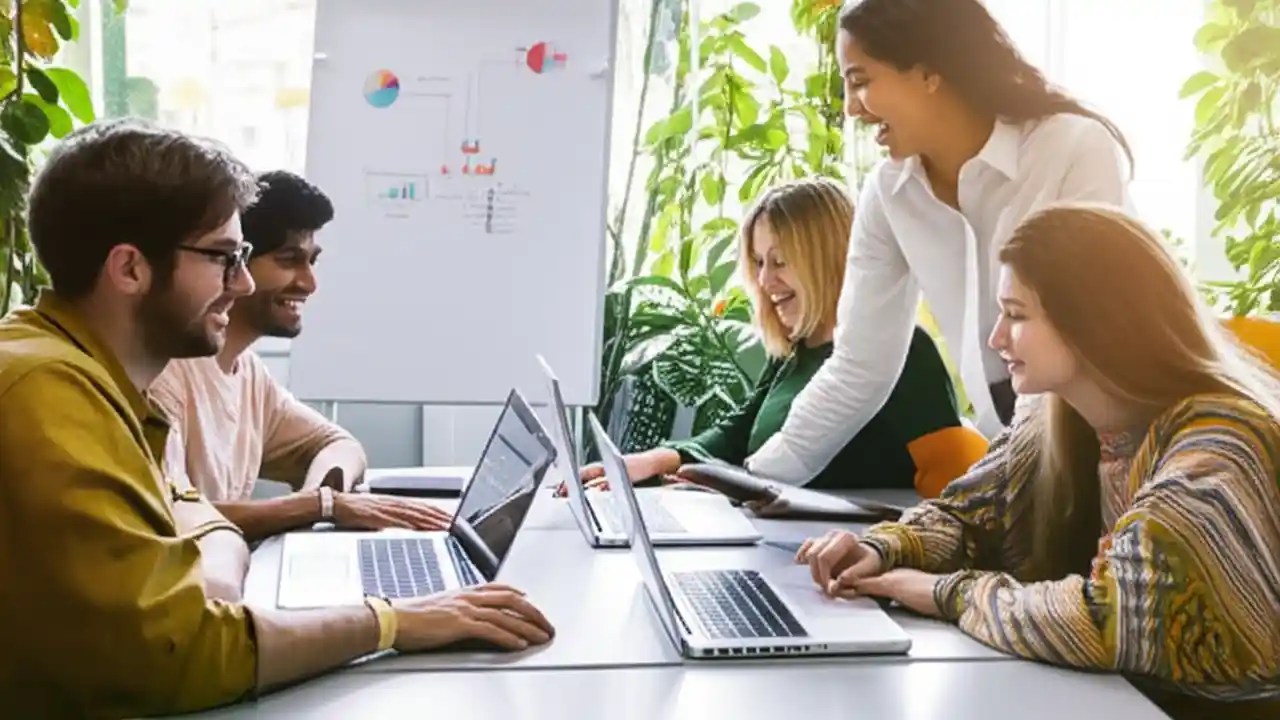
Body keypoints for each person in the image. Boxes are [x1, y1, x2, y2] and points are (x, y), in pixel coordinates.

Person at [0, 119, 553, 717]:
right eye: (222, 258)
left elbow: (192, 524)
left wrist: (211, 552)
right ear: (130, 269)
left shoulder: (88, 374)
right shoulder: (48, 394)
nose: (240, 284)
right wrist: (394, 621)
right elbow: (181, 651)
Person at [796, 204, 1280, 719]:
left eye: (1017, 315)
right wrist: (882, 549)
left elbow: (1109, 620)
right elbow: (965, 513)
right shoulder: (1052, 417)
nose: (996, 337)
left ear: (1094, 322)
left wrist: (947, 593)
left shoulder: (1221, 447)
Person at [746, 0, 1134, 485]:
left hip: (1114, 450)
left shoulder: (1072, 150)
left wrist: (995, 494)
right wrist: (754, 484)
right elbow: (859, 367)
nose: (850, 108)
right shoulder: (890, 195)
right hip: (1019, 461)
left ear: (929, 71)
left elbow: (1088, 337)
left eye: (861, 80)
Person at [582, 177, 987, 498]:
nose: (764, 280)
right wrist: (656, 460)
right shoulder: (797, 348)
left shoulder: (901, 352)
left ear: (826, 257)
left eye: (780, 261)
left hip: (845, 567)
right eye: (758, 262)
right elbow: (737, 433)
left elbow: (954, 490)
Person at [151, 170, 450, 542]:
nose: (309, 283)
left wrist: (322, 497)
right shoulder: (164, 375)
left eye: (312, 261)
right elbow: (169, 516)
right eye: (289, 260)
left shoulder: (248, 373)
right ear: (234, 263)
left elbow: (338, 445)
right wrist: (322, 506)